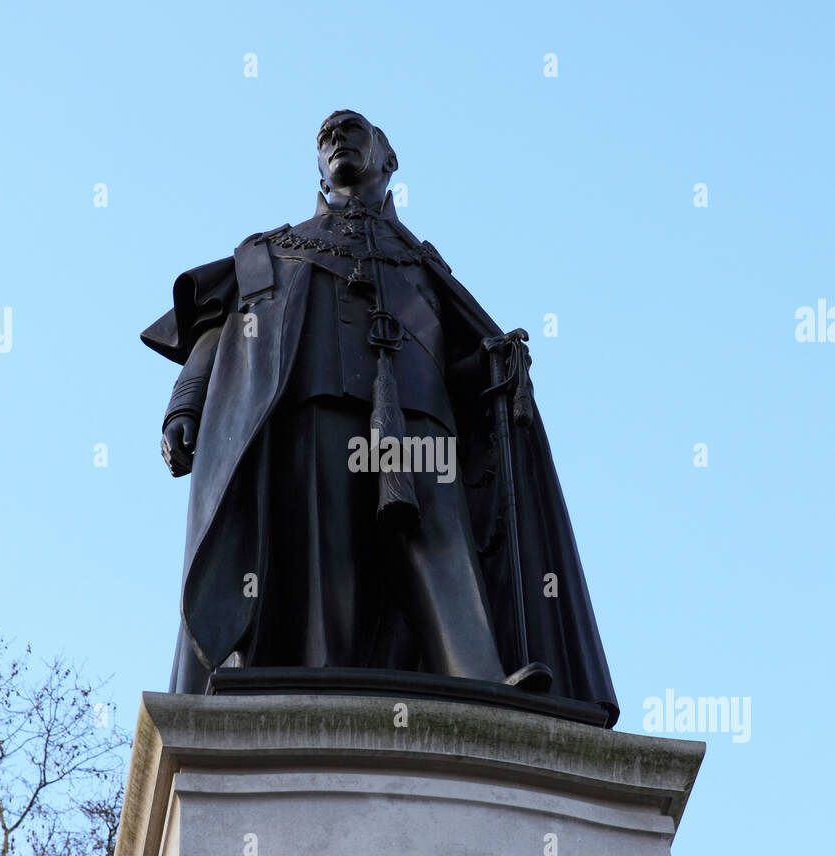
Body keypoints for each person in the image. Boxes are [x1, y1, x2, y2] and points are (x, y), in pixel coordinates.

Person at [142, 111, 618, 723]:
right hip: (318, 405)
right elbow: (220, 330)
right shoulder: (273, 248)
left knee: (440, 537)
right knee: (327, 551)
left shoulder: (423, 262)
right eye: (325, 137)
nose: (337, 139)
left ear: (389, 159)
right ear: (317, 165)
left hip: (418, 409)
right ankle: (319, 685)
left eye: (352, 130)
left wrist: (499, 371)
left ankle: (484, 686)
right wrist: (187, 403)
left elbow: (461, 358)